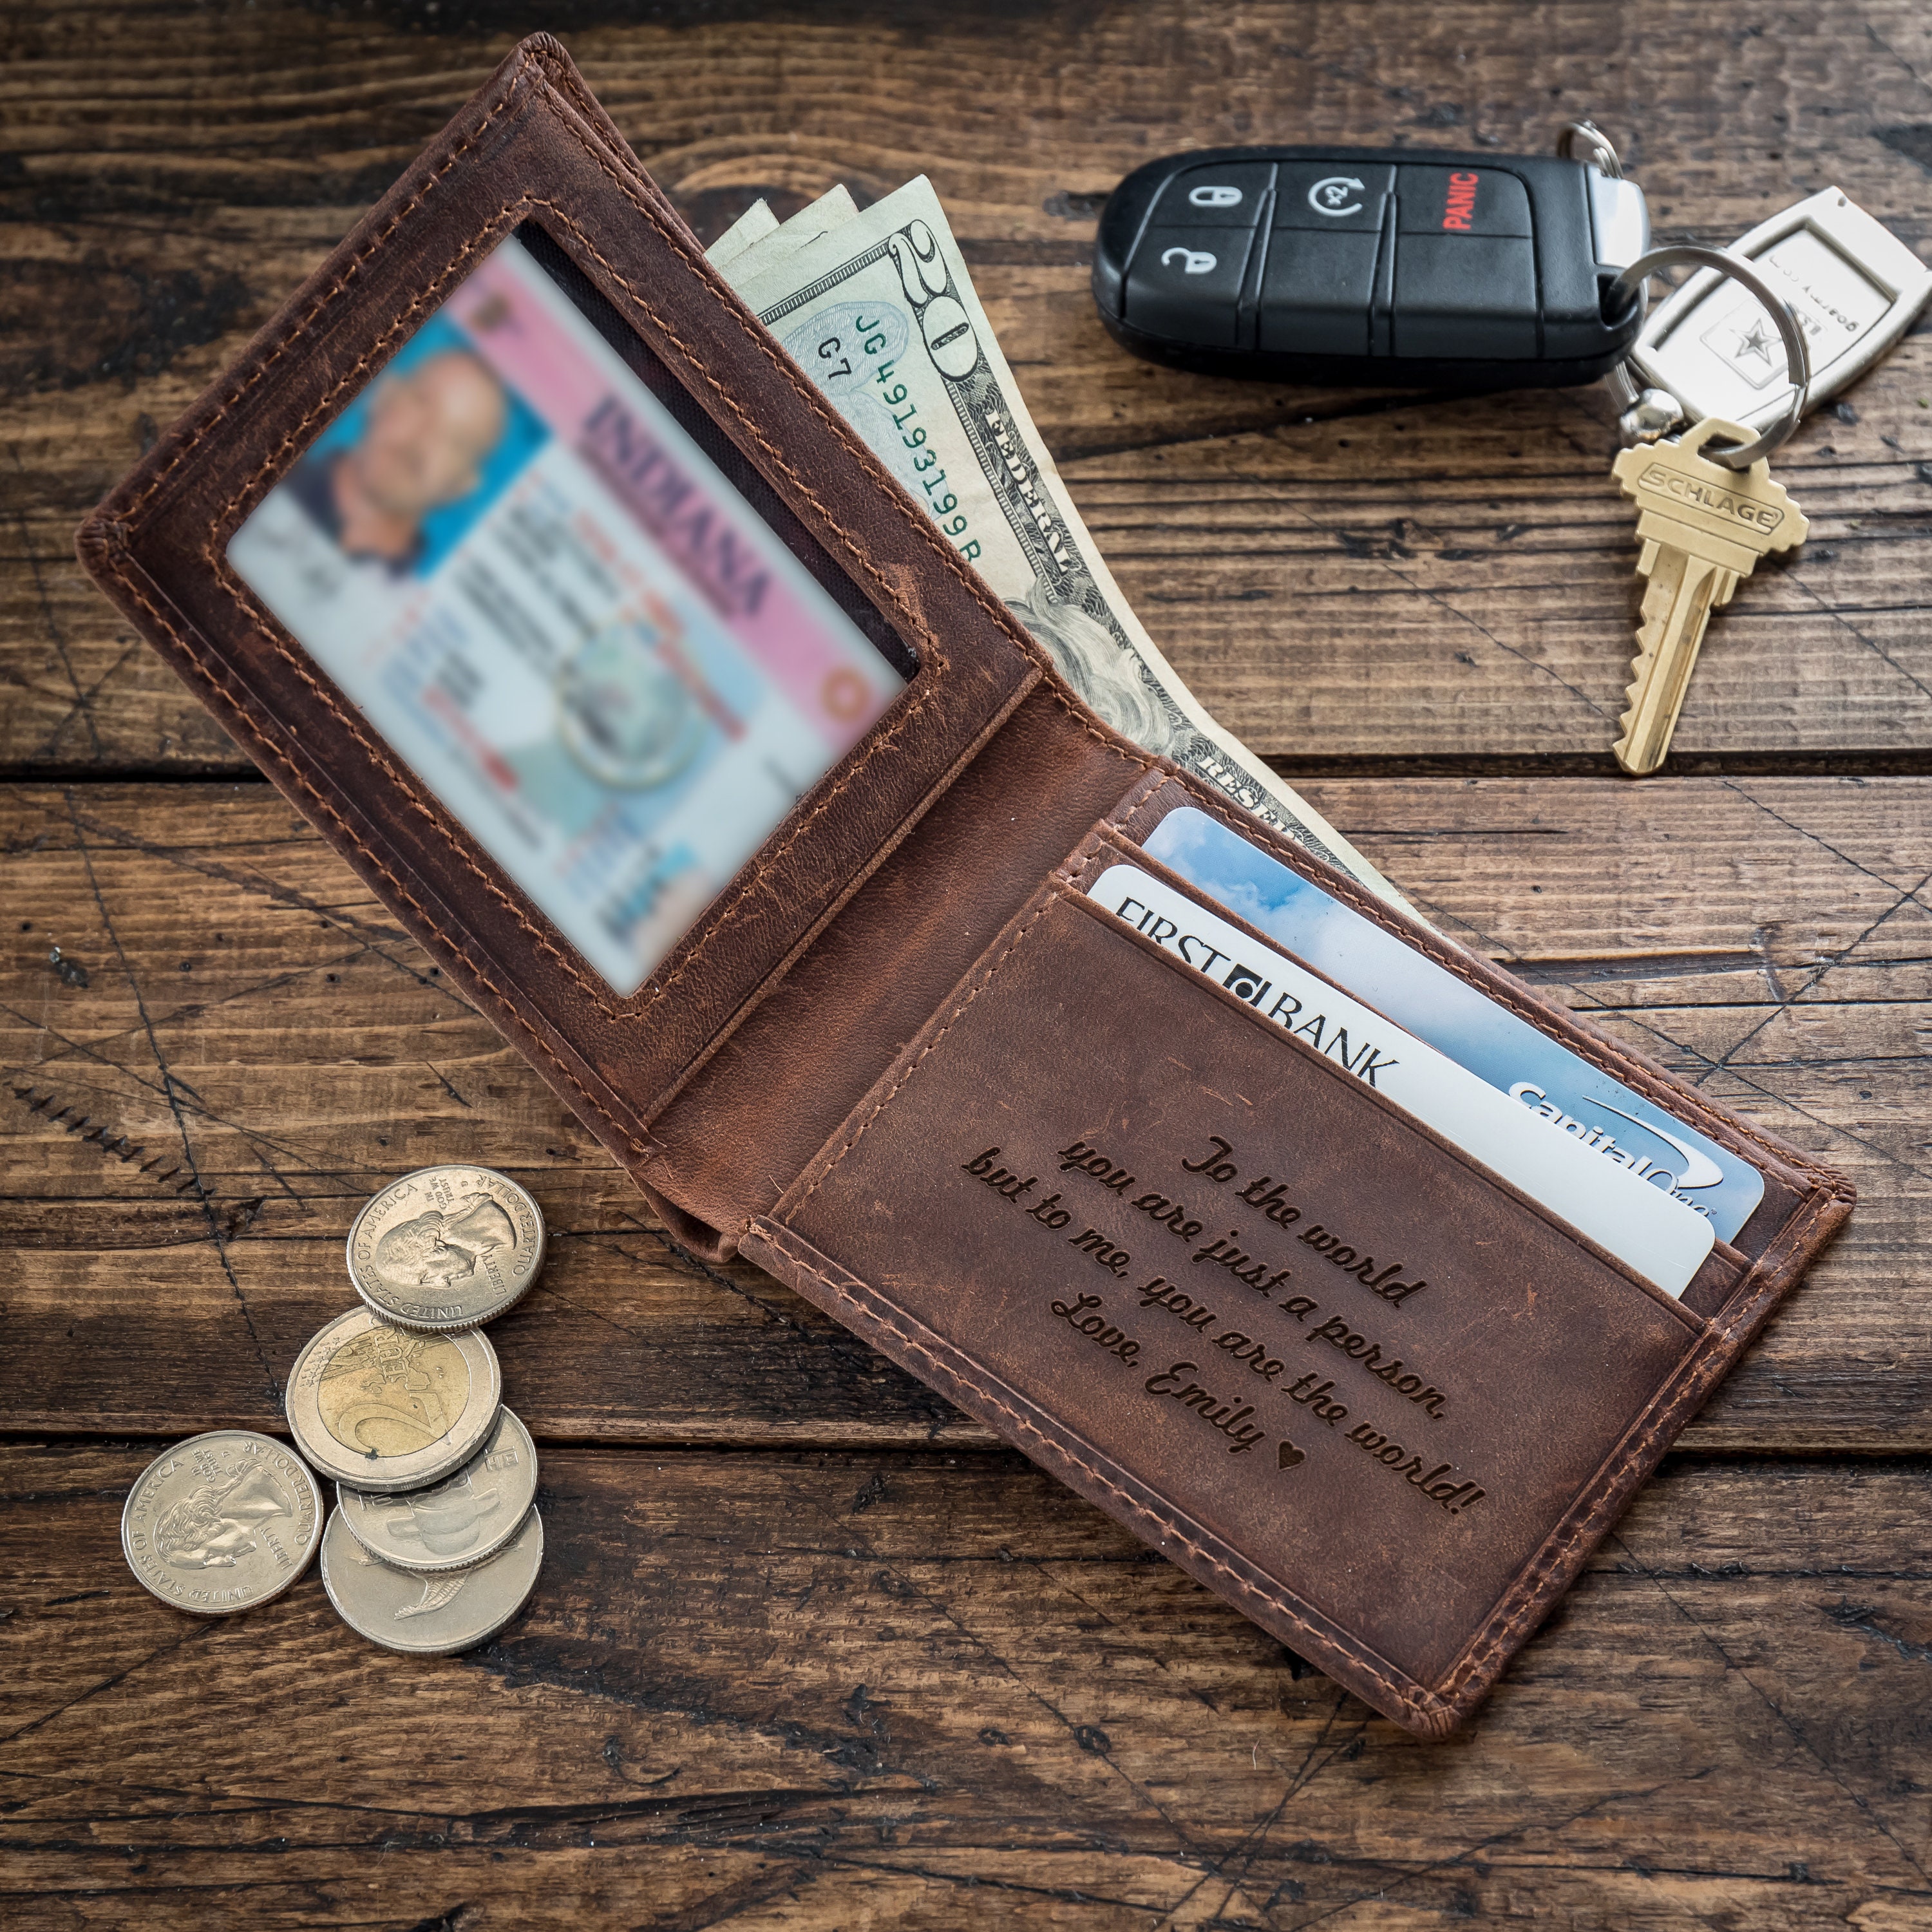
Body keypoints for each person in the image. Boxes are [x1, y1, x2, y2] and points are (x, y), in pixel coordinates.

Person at [285, 346, 508, 574]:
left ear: (463, 485)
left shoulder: (420, 598)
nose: (423, 439)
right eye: (422, 402)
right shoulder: (264, 477)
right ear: (384, 394)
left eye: (457, 442)